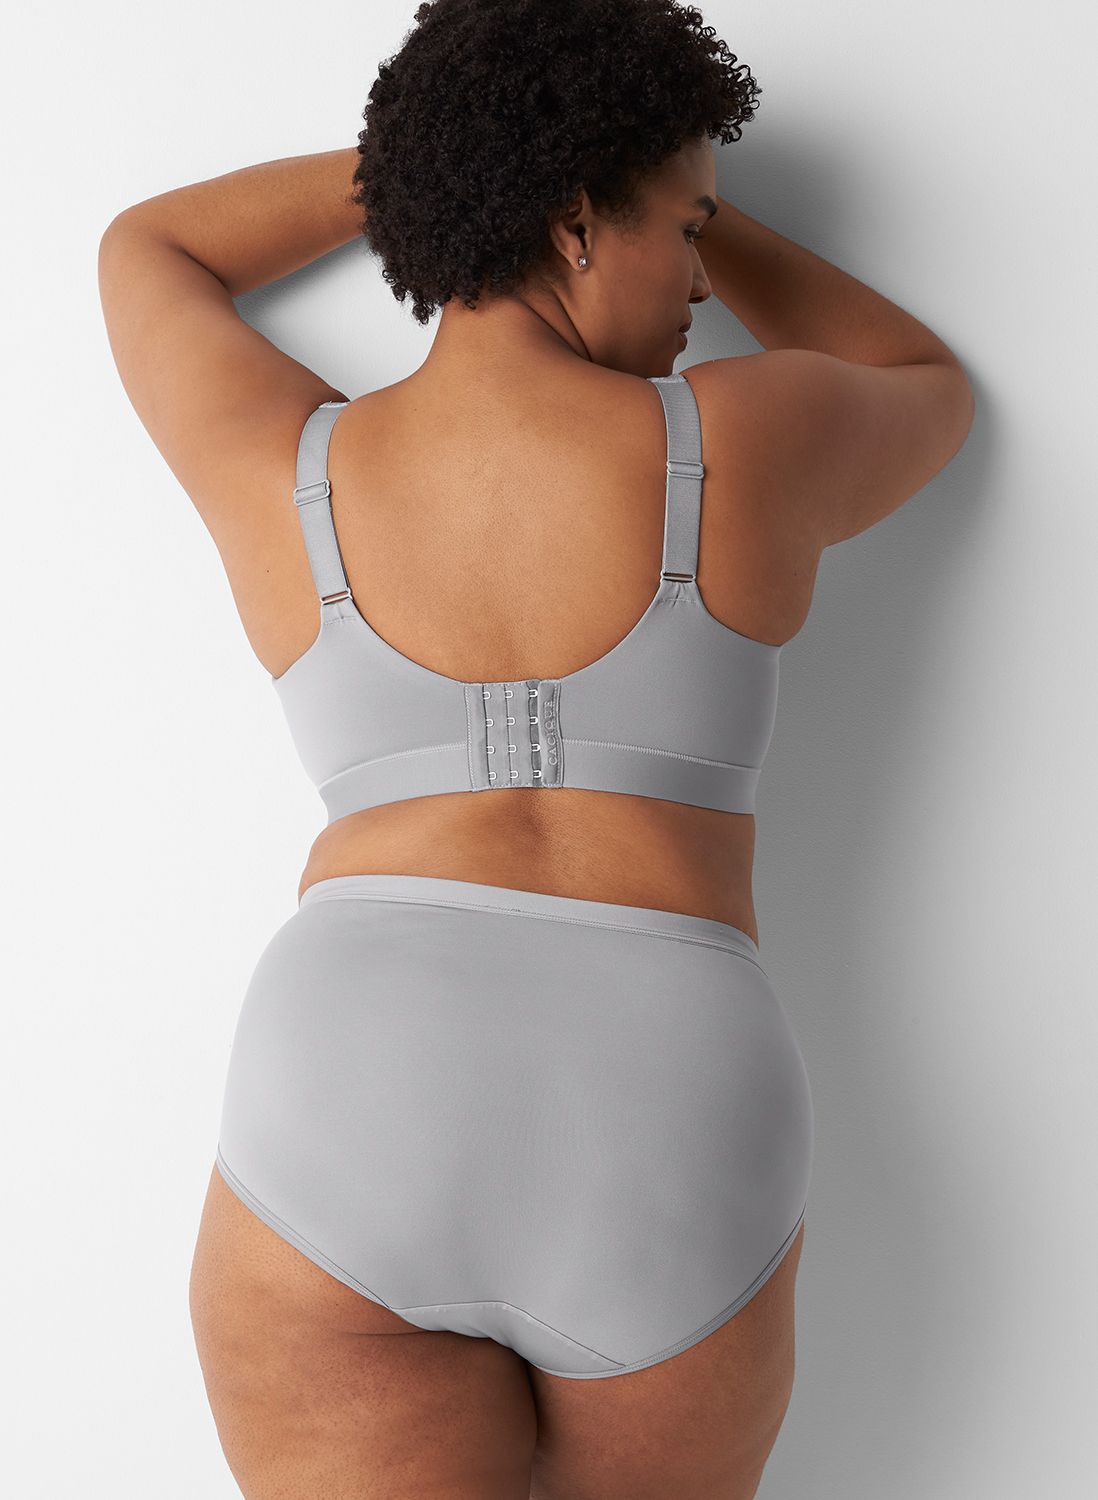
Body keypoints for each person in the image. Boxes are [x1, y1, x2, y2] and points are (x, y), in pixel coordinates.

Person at [97, 2, 974, 1495]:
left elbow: (147, 249)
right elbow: (921, 381)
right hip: (663, 1104)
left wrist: (453, 168)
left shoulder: (287, 467)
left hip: (353, 1087)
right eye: (686, 225)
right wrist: (569, 172)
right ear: (575, 221)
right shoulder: (740, 441)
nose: (699, 274)